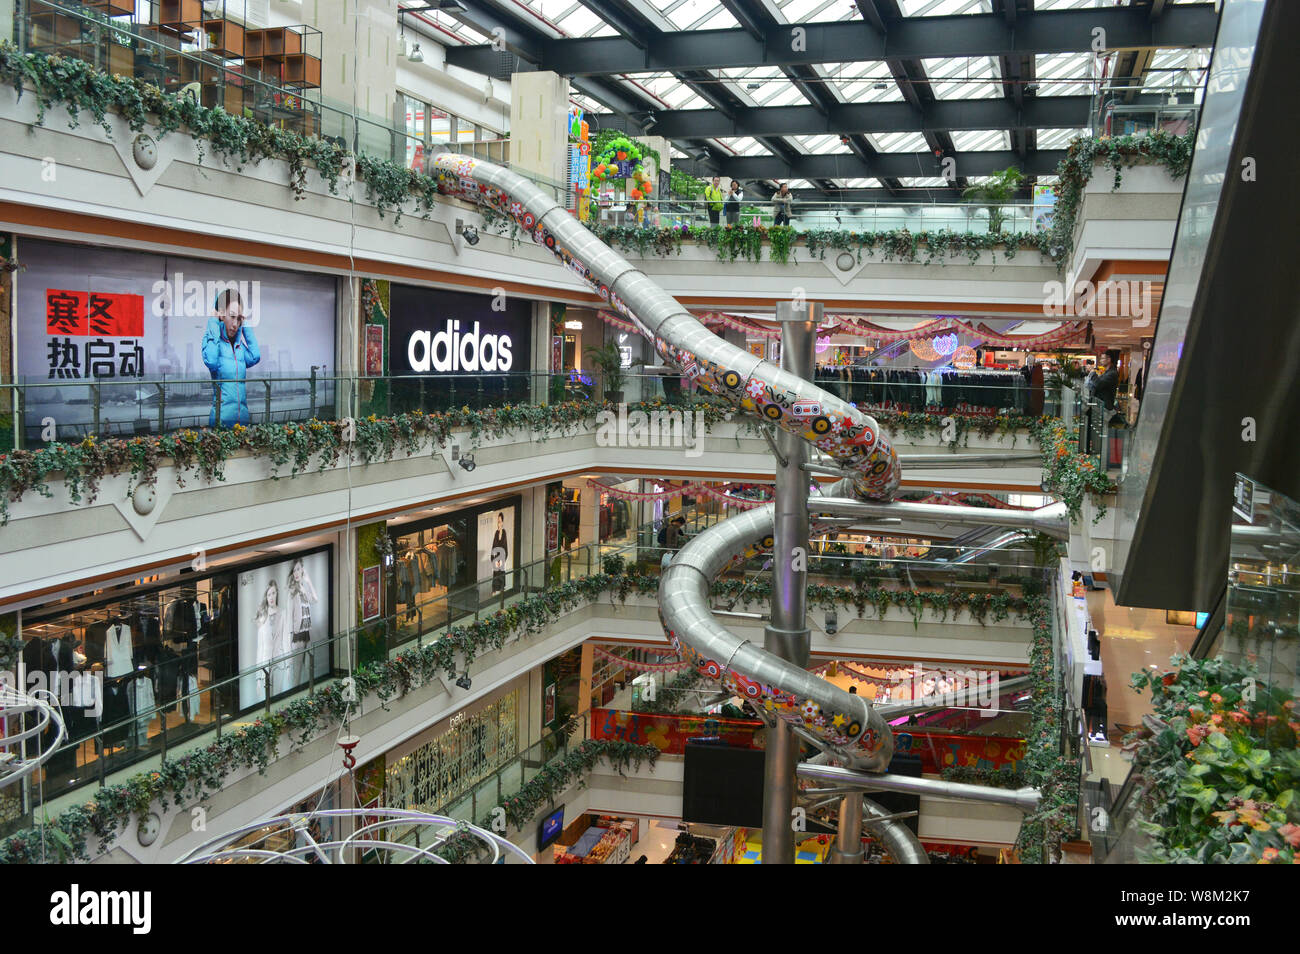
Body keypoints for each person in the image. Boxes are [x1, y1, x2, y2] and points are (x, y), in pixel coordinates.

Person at [201, 289, 261, 428]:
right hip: (221, 423)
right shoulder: (212, 341)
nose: (235, 324)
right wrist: (213, 321)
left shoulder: (239, 346)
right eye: (232, 316)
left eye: (239, 319)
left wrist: (245, 325)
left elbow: (254, 356)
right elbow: (211, 361)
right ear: (221, 315)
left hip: (243, 422)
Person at [287, 558, 319, 688]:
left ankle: (304, 693)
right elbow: (289, 615)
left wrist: (309, 582)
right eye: (294, 570)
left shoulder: (303, 588)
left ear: (303, 570)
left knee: (307, 667)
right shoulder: (292, 591)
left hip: (306, 631)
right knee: (298, 670)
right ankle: (295, 697)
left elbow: (315, 599)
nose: (296, 573)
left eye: (299, 569)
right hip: (298, 633)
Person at [255, 578, 290, 697]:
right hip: (265, 665)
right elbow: (260, 648)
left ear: (277, 594)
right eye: (268, 594)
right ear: (266, 596)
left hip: (279, 664)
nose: (271, 597)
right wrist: (258, 677)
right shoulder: (262, 617)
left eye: (273, 593)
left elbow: (286, 641)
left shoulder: (283, 613)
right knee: (267, 698)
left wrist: (288, 665)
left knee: (278, 697)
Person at [491, 511, 509, 594]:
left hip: (501, 557)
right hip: (496, 556)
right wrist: (494, 559)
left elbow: (505, 547)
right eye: (498, 522)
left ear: (503, 522)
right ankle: (494, 589)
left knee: (501, 572)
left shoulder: (504, 532)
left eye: (500, 521)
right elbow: (493, 546)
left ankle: (501, 588)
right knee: (495, 572)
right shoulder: (496, 533)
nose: (499, 523)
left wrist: (502, 560)